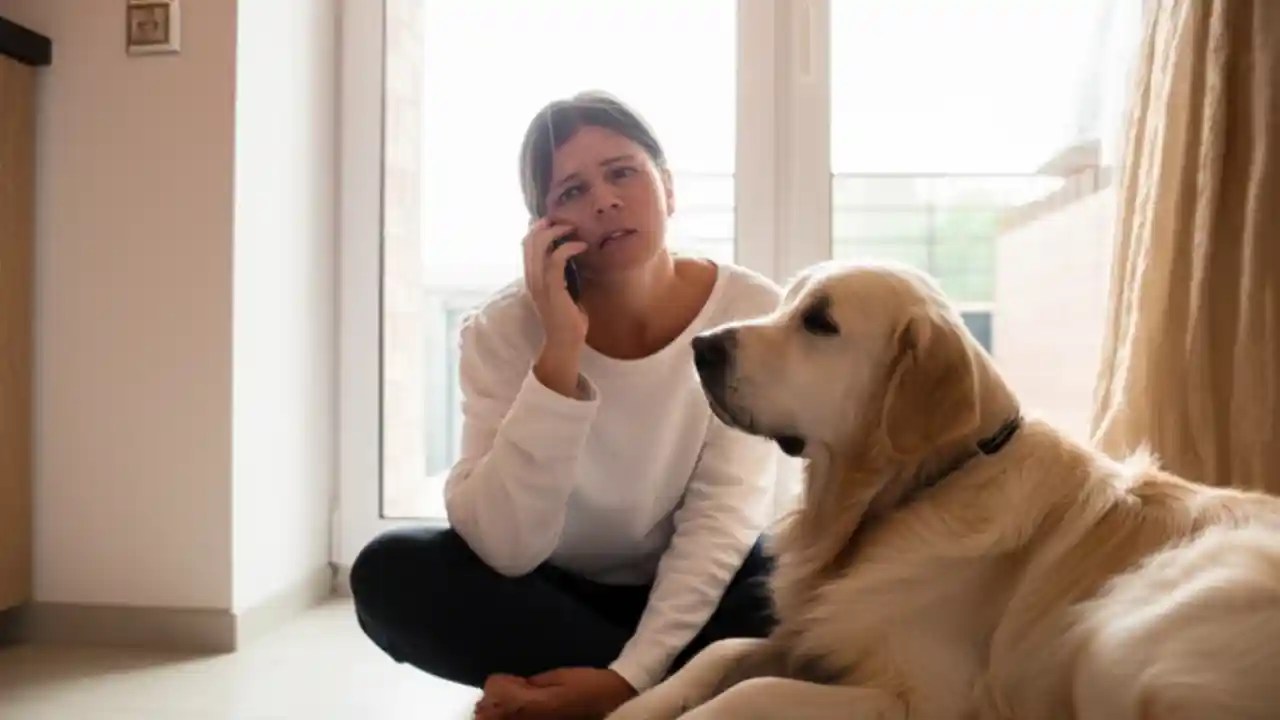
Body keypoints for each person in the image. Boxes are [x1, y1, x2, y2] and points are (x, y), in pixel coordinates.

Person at [350, 90, 783, 720]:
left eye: (622, 173)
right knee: (391, 574)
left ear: (666, 186)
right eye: (571, 192)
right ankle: (672, 698)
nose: (605, 200)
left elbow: (722, 515)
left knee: (801, 579)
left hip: (699, 588)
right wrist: (559, 352)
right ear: (545, 229)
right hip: (553, 591)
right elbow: (506, 546)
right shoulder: (500, 330)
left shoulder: (748, 309)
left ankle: (583, 702)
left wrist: (629, 678)